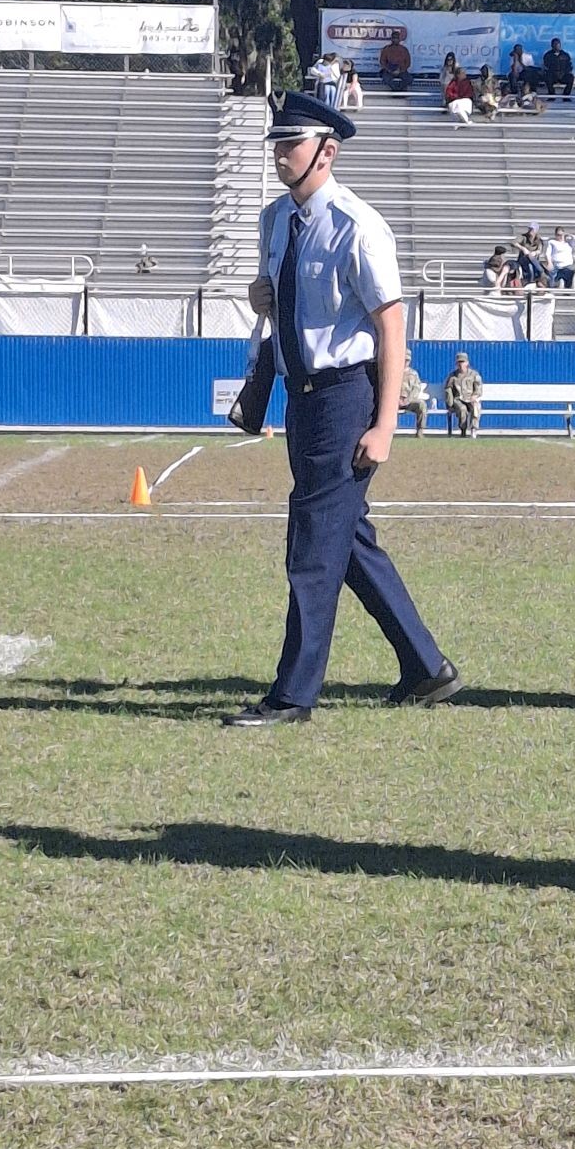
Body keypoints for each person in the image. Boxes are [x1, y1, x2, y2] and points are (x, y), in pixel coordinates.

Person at [223, 90, 459, 727]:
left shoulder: (358, 224)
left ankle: (292, 695)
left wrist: (385, 424)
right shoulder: (275, 220)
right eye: (276, 144)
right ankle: (426, 666)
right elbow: (284, 300)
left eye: (291, 144)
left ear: (326, 152)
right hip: (300, 400)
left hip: (344, 398)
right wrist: (261, 298)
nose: (279, 154)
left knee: (312, 546)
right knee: (346, 539)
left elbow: (391, 325)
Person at [443, 350, 483, 436]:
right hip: (459, 399)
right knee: (462, 409)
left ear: (467, 363)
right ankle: (463, 430)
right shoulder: (453, 376)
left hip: (471, 398)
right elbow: (448, 389)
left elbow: (478, 388)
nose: (461, 364)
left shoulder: (474, 374)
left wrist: (474, 396)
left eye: (463, 362)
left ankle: (473, 429)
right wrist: (450, 403)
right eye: (459, 362)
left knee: (476, 407)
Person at [397, 353, 430, 435]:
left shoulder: (413, 374)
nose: (405, 362)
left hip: (409, 401)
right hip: (394, 401)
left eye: (407, 360)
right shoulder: (393, 371)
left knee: (422, 405)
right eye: (404, 360)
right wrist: (397, 399)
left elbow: (416, 388)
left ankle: (420, 431)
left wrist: (408, 400)